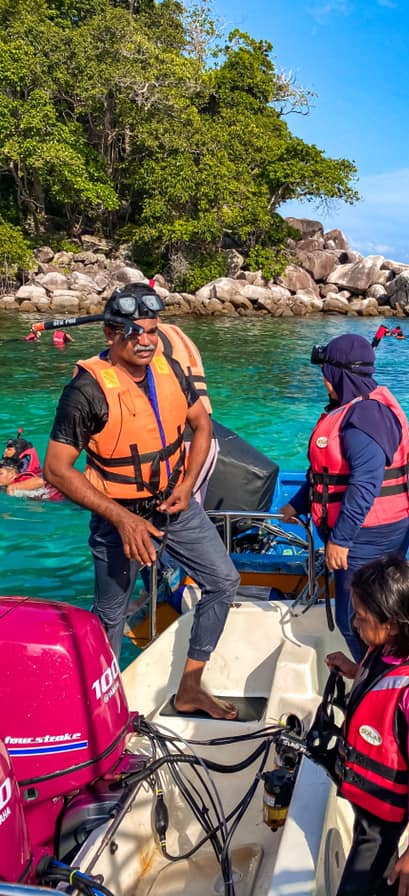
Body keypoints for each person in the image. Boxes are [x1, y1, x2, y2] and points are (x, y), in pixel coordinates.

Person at [44, 284, 240, 719]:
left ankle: (190, 687)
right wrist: (120, 519)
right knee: (110, 616)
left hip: (174, 504)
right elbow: (55, 468)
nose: (147, 341)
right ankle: (103, 713)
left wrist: (188, 484)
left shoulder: (168, 368)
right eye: (136, 334)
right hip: (119, 516)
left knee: (224, 580)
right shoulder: (86, 391)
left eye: (153, 331)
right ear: (110, 335)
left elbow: (202, 427)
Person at [278, 334, 409, 660]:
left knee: (357, 621)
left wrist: (342, 539)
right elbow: (329, 474)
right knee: (366, 618)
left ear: (340, 374)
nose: (324, 381)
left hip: (369, 537)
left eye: (327, 372)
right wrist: (296, 505)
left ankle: (379, 686)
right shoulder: (354, 409)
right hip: (371, 532)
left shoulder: (364, 417)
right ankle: (375, 680)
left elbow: (366, 481)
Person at [326, 556, 409, 896]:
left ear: (393, 623)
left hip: (383, 820)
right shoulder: (388, 647)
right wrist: (353, 670)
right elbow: (381, 682)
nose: (354, 623)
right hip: (368, 805)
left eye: (362, 618)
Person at [156, 317, 218, 505]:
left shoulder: (150, 342)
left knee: (171, 519)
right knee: (191, 512)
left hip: (183, 443)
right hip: (207, 439)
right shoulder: (179, 334)